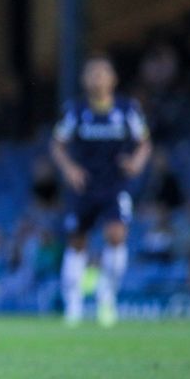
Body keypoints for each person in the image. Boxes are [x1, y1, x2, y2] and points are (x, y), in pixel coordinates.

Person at [51, 55, 152, 327]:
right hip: (83, 186)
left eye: (102, 73)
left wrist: (136, 162)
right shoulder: (75, 111)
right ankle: (73, 303)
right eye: (92, 74)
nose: (97, 79)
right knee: (77, 241)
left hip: (115, 184)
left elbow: (144, 142)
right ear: (84, 80)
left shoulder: (127, 109)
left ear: (113, 79)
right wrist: (70, 169)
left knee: (116, 235)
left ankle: (107, 296)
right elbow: (57, 144)